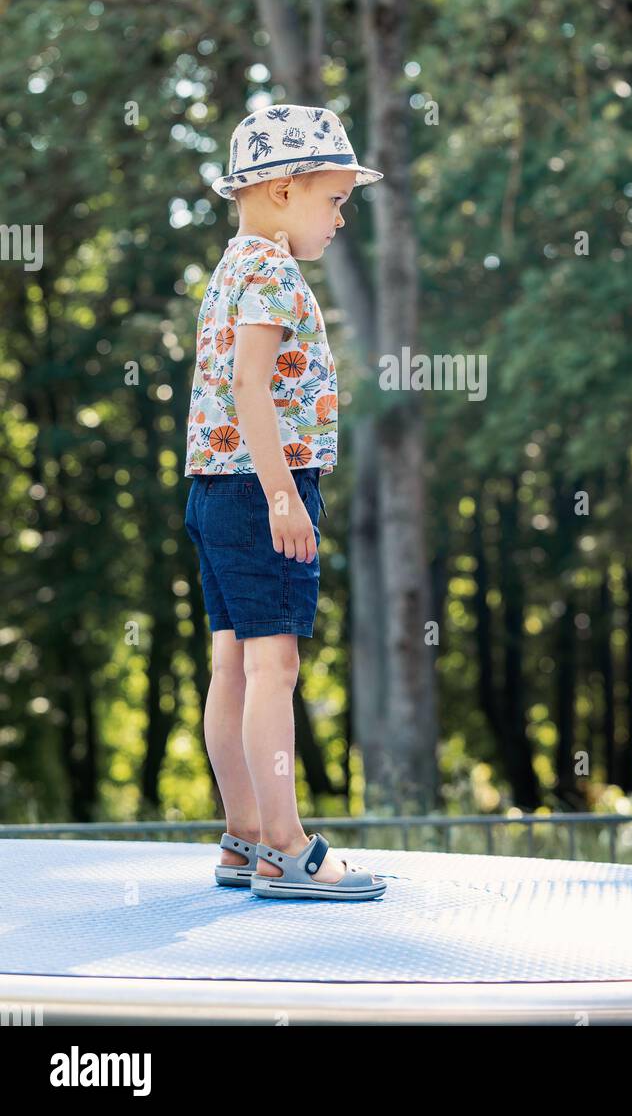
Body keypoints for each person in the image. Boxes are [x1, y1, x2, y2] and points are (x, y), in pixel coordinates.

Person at [183, 104, 387, 899]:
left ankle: (240, 836)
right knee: (277, 666)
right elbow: (250, 388)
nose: (340, 219)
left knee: (231, 663)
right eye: (333, 200)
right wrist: (282, 498)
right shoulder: (271, 272)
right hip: (260, 486)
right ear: (282, 190)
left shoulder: (231, 267)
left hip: (213, 489)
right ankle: (287, 847)